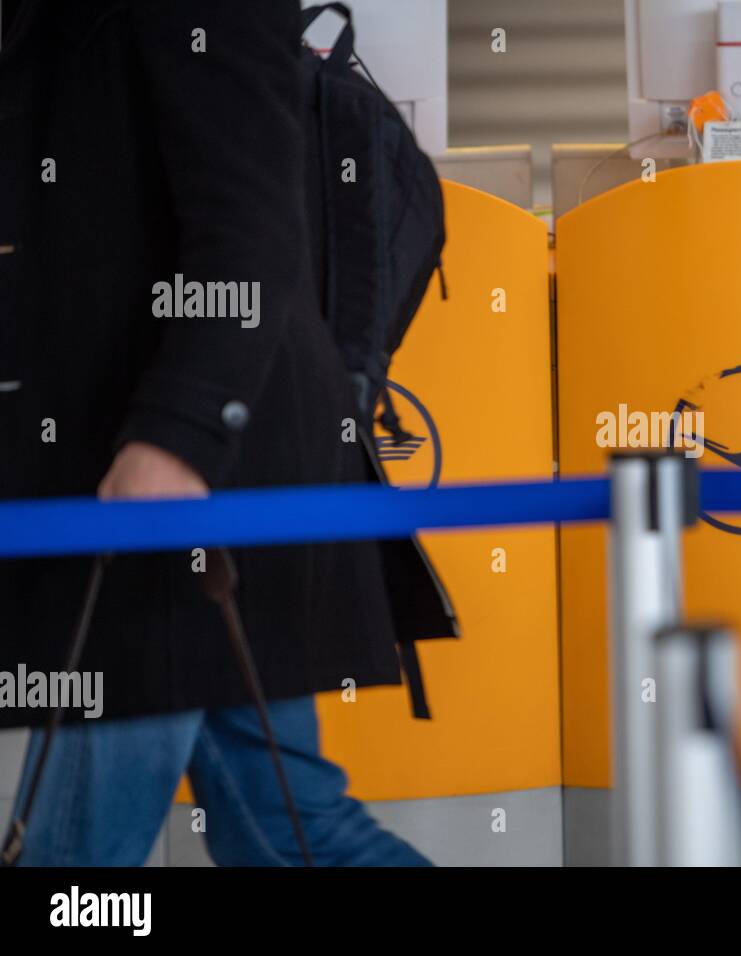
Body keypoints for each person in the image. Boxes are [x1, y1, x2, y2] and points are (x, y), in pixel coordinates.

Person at [0, 0, 450, 865]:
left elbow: (250, 230)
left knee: (75, 862)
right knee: (288, 826)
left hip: (176, 474)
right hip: (151, 472)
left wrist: (173, 441)